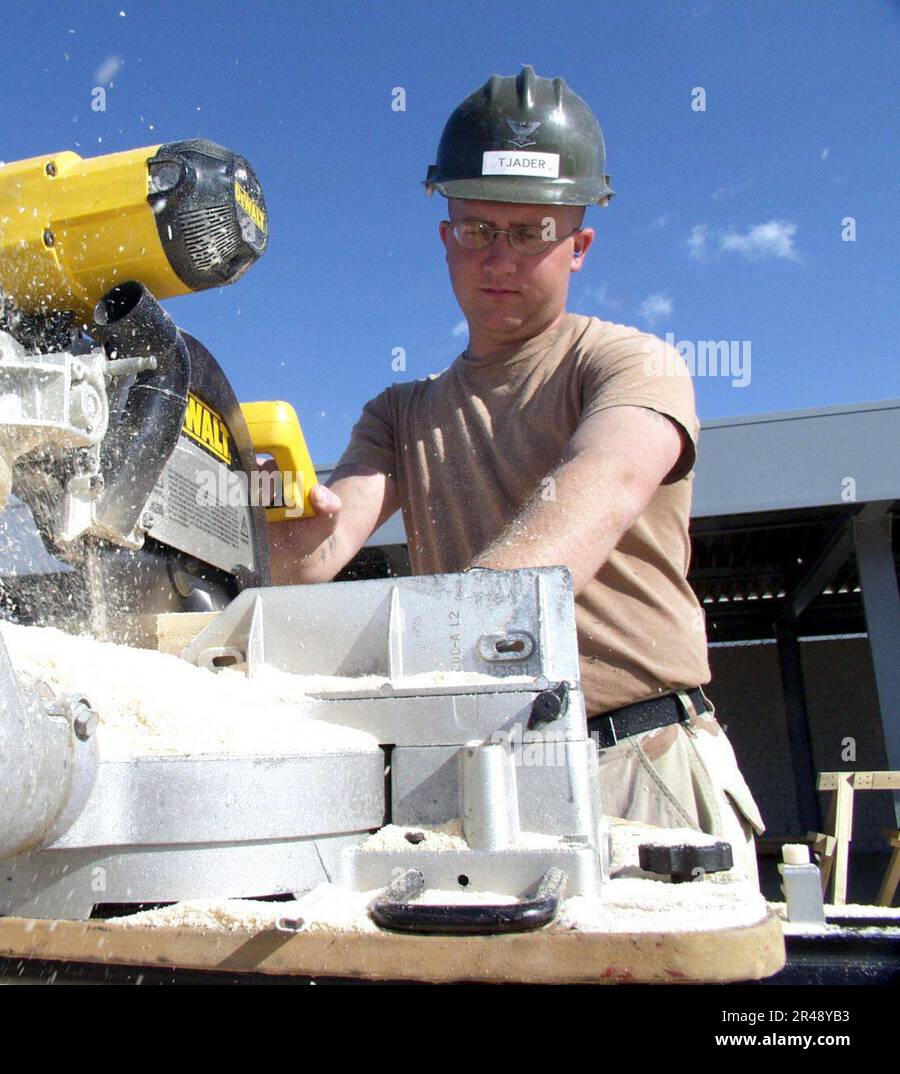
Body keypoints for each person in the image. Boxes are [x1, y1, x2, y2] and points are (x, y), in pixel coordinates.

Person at [267, 65, 766, 886]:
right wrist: (271, 521)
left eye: (532, 232)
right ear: (445, 235)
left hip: (639, 764)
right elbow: (314, 557)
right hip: (484, 772)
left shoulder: (629, 365)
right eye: (477, 229)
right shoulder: (399, 413)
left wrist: (428, 665)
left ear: (579, 244)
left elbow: (595, 495)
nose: (500, 258)